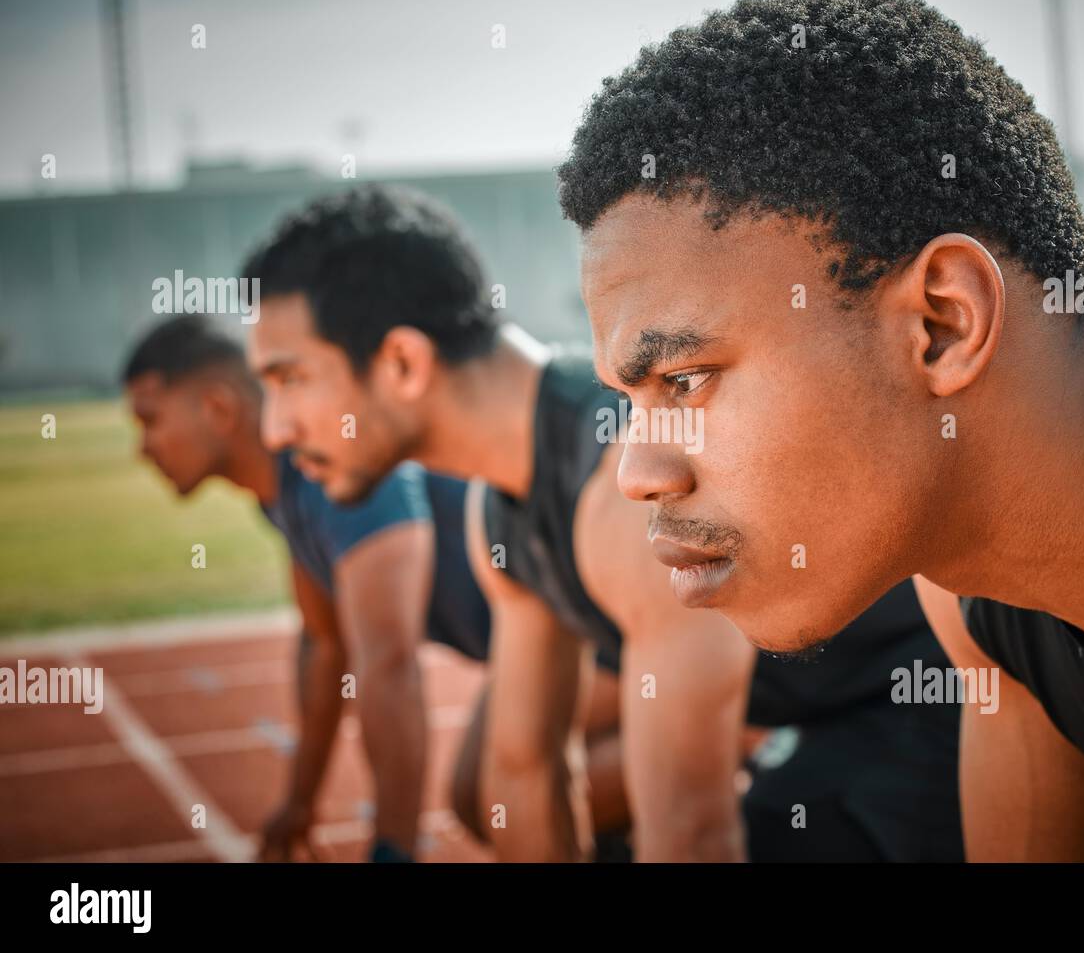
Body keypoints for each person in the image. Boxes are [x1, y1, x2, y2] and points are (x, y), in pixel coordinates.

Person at [560, 0, 1084, 860]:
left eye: (684, 379)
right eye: (628, 397)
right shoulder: (970, 586)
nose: (637, 473)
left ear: (942, 322)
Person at [241, 185, 964, 861]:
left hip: (933, 701)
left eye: (289, 379)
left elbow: (692, 829)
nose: (273, 428)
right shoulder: (501, 507)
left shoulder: (626, 480)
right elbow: (526, 772)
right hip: (818, 719)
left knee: (762, 831)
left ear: (401, 361)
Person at [122, 315, 626, 861]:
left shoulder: (340, 470)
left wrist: (393, 849)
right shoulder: (286, 496)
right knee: (477, 797)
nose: (142, 448)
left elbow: (387, 661)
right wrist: (299, 802)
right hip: (546, 622)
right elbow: (324, 643)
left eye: (150, 420)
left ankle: (725, 754)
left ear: (219, 409)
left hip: (600, 611)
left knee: (496, 794)